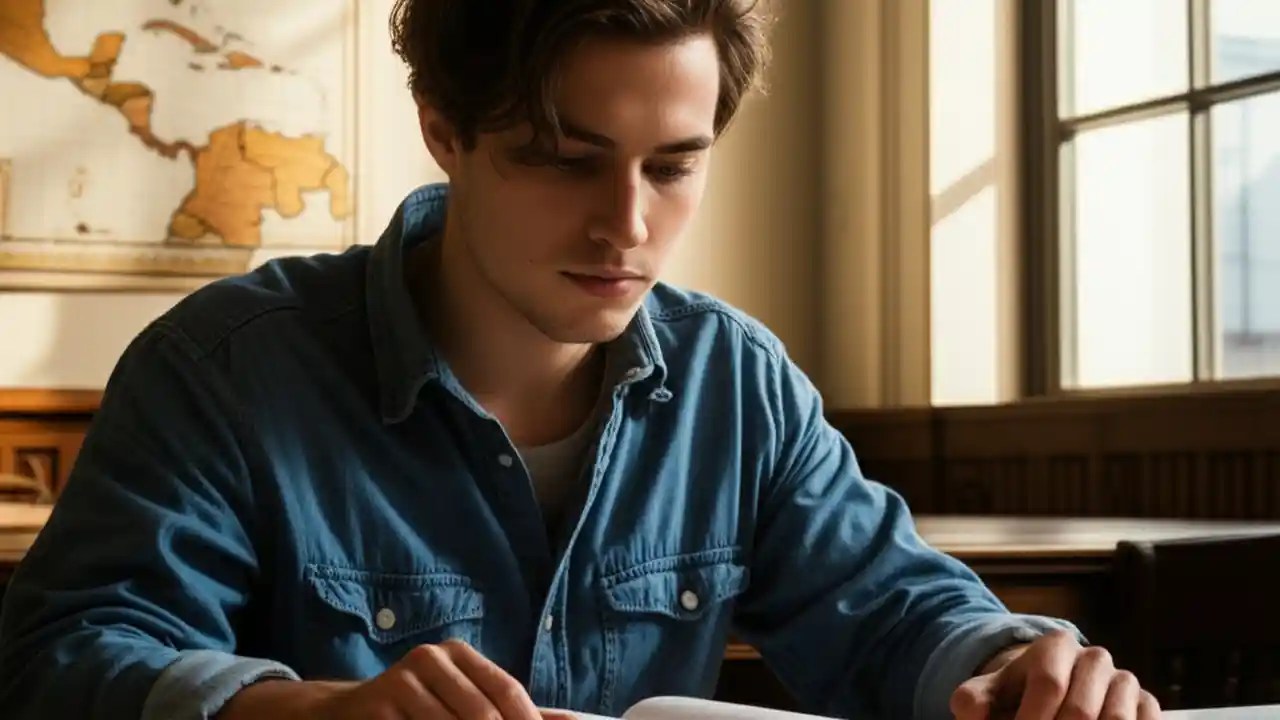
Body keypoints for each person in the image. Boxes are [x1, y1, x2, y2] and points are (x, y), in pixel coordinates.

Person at [0, 1, 1160, 719]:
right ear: (444, 129)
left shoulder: (735, 384)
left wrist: (1018, 668)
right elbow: (64, 662)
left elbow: (895, 612)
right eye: (564, 160)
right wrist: (308, 713)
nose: (626, 225)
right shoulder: (223, 370)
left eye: (672, 166)